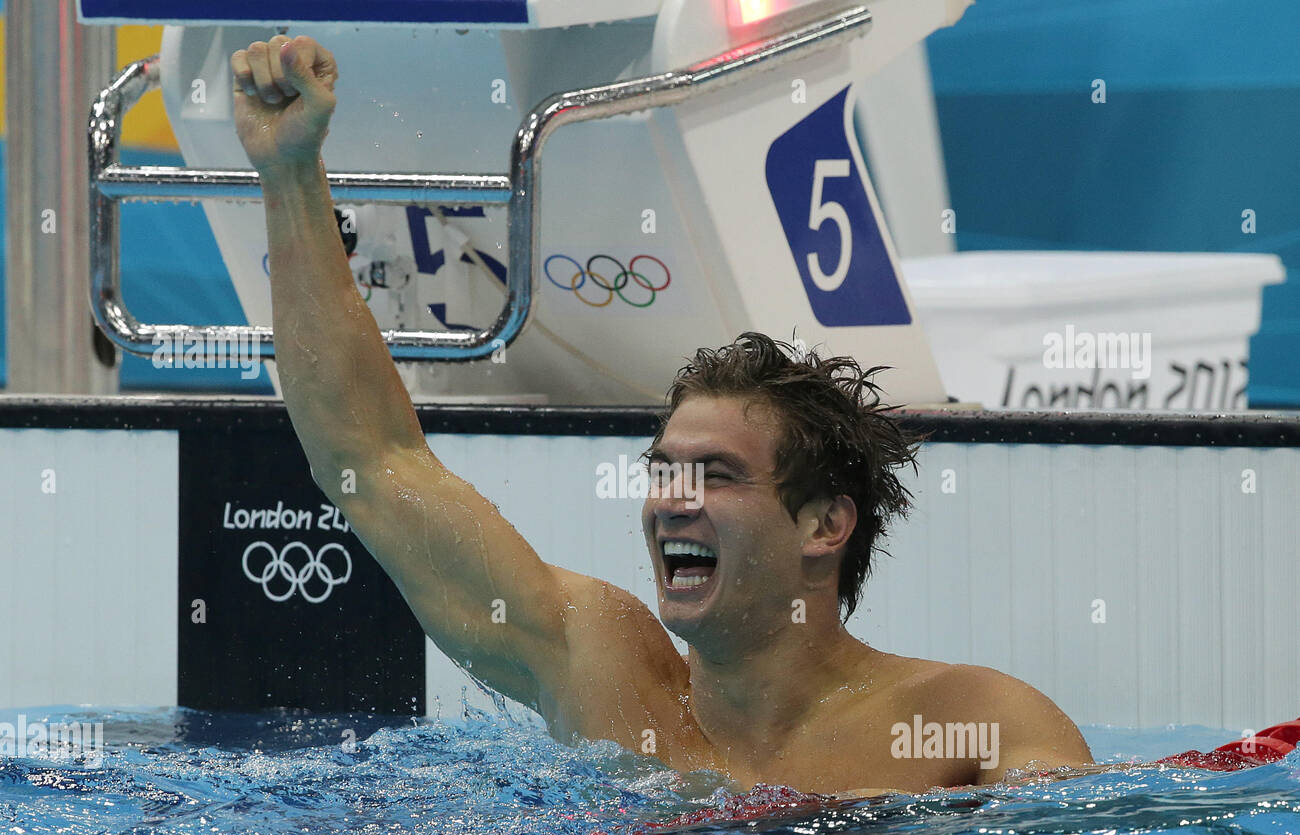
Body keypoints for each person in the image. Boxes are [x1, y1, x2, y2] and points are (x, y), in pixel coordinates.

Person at [230, 34, 1094, 796]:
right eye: (665, 470)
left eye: (716, 475)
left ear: (825, 523)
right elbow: (376, 463)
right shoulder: (603, 673)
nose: (671, 499)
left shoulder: (966, 724)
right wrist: (290, 174)